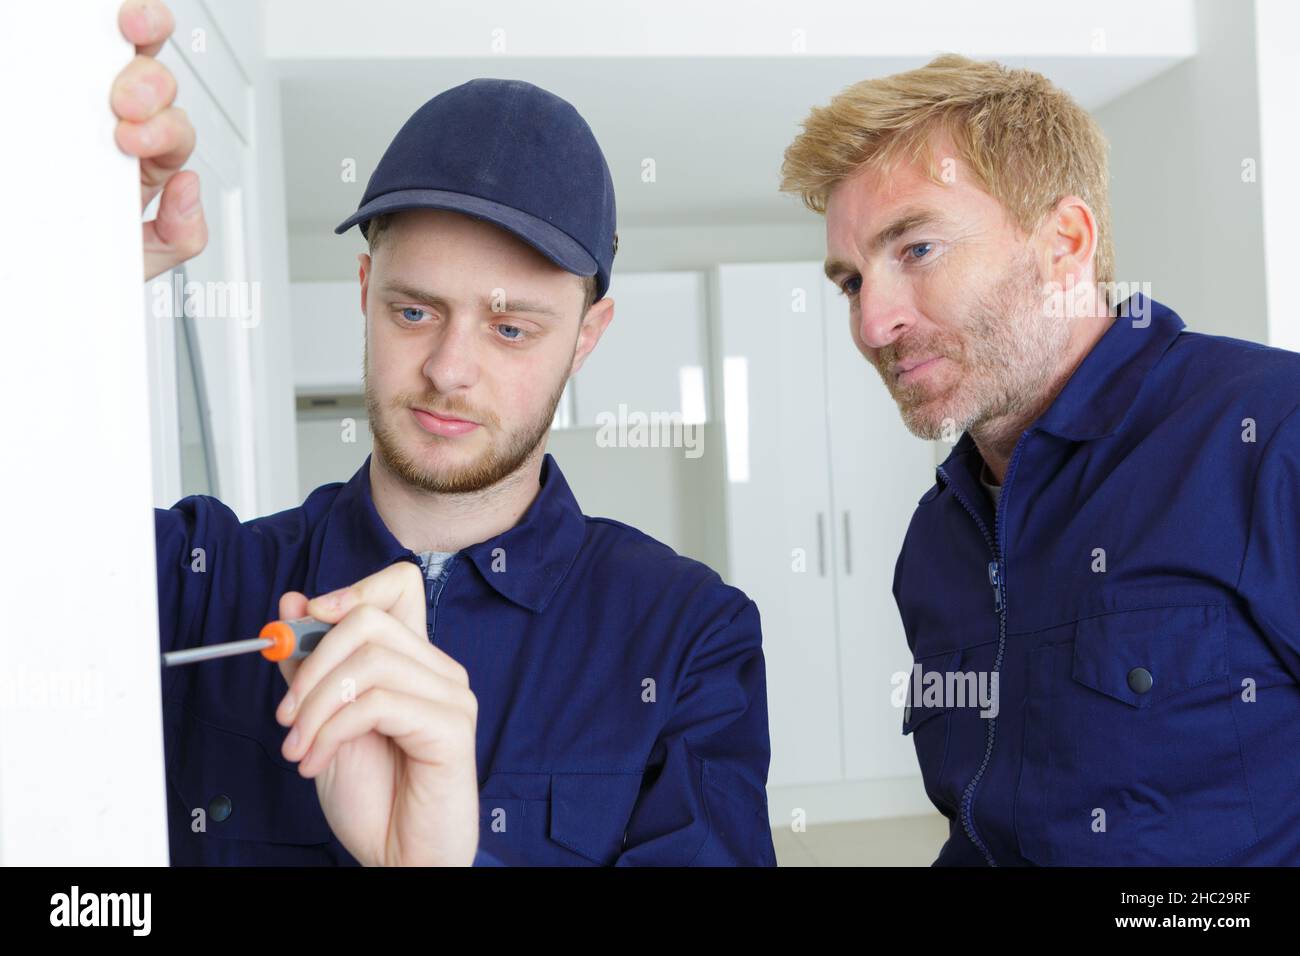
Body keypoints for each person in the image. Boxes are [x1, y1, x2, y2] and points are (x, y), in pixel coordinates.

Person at [114, 0, 776, 866]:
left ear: (587, 337)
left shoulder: (687, 635)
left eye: (511, 329)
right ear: (365, 292)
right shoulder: (198, 583)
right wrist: (57, 271)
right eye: (415, 311)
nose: (449, 370)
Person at [781, 53, 1300, 865]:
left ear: (1065, 243)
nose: (873, 324)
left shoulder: (1272, 434)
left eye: (917, 249)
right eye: (851, 283)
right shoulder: (936, 539)